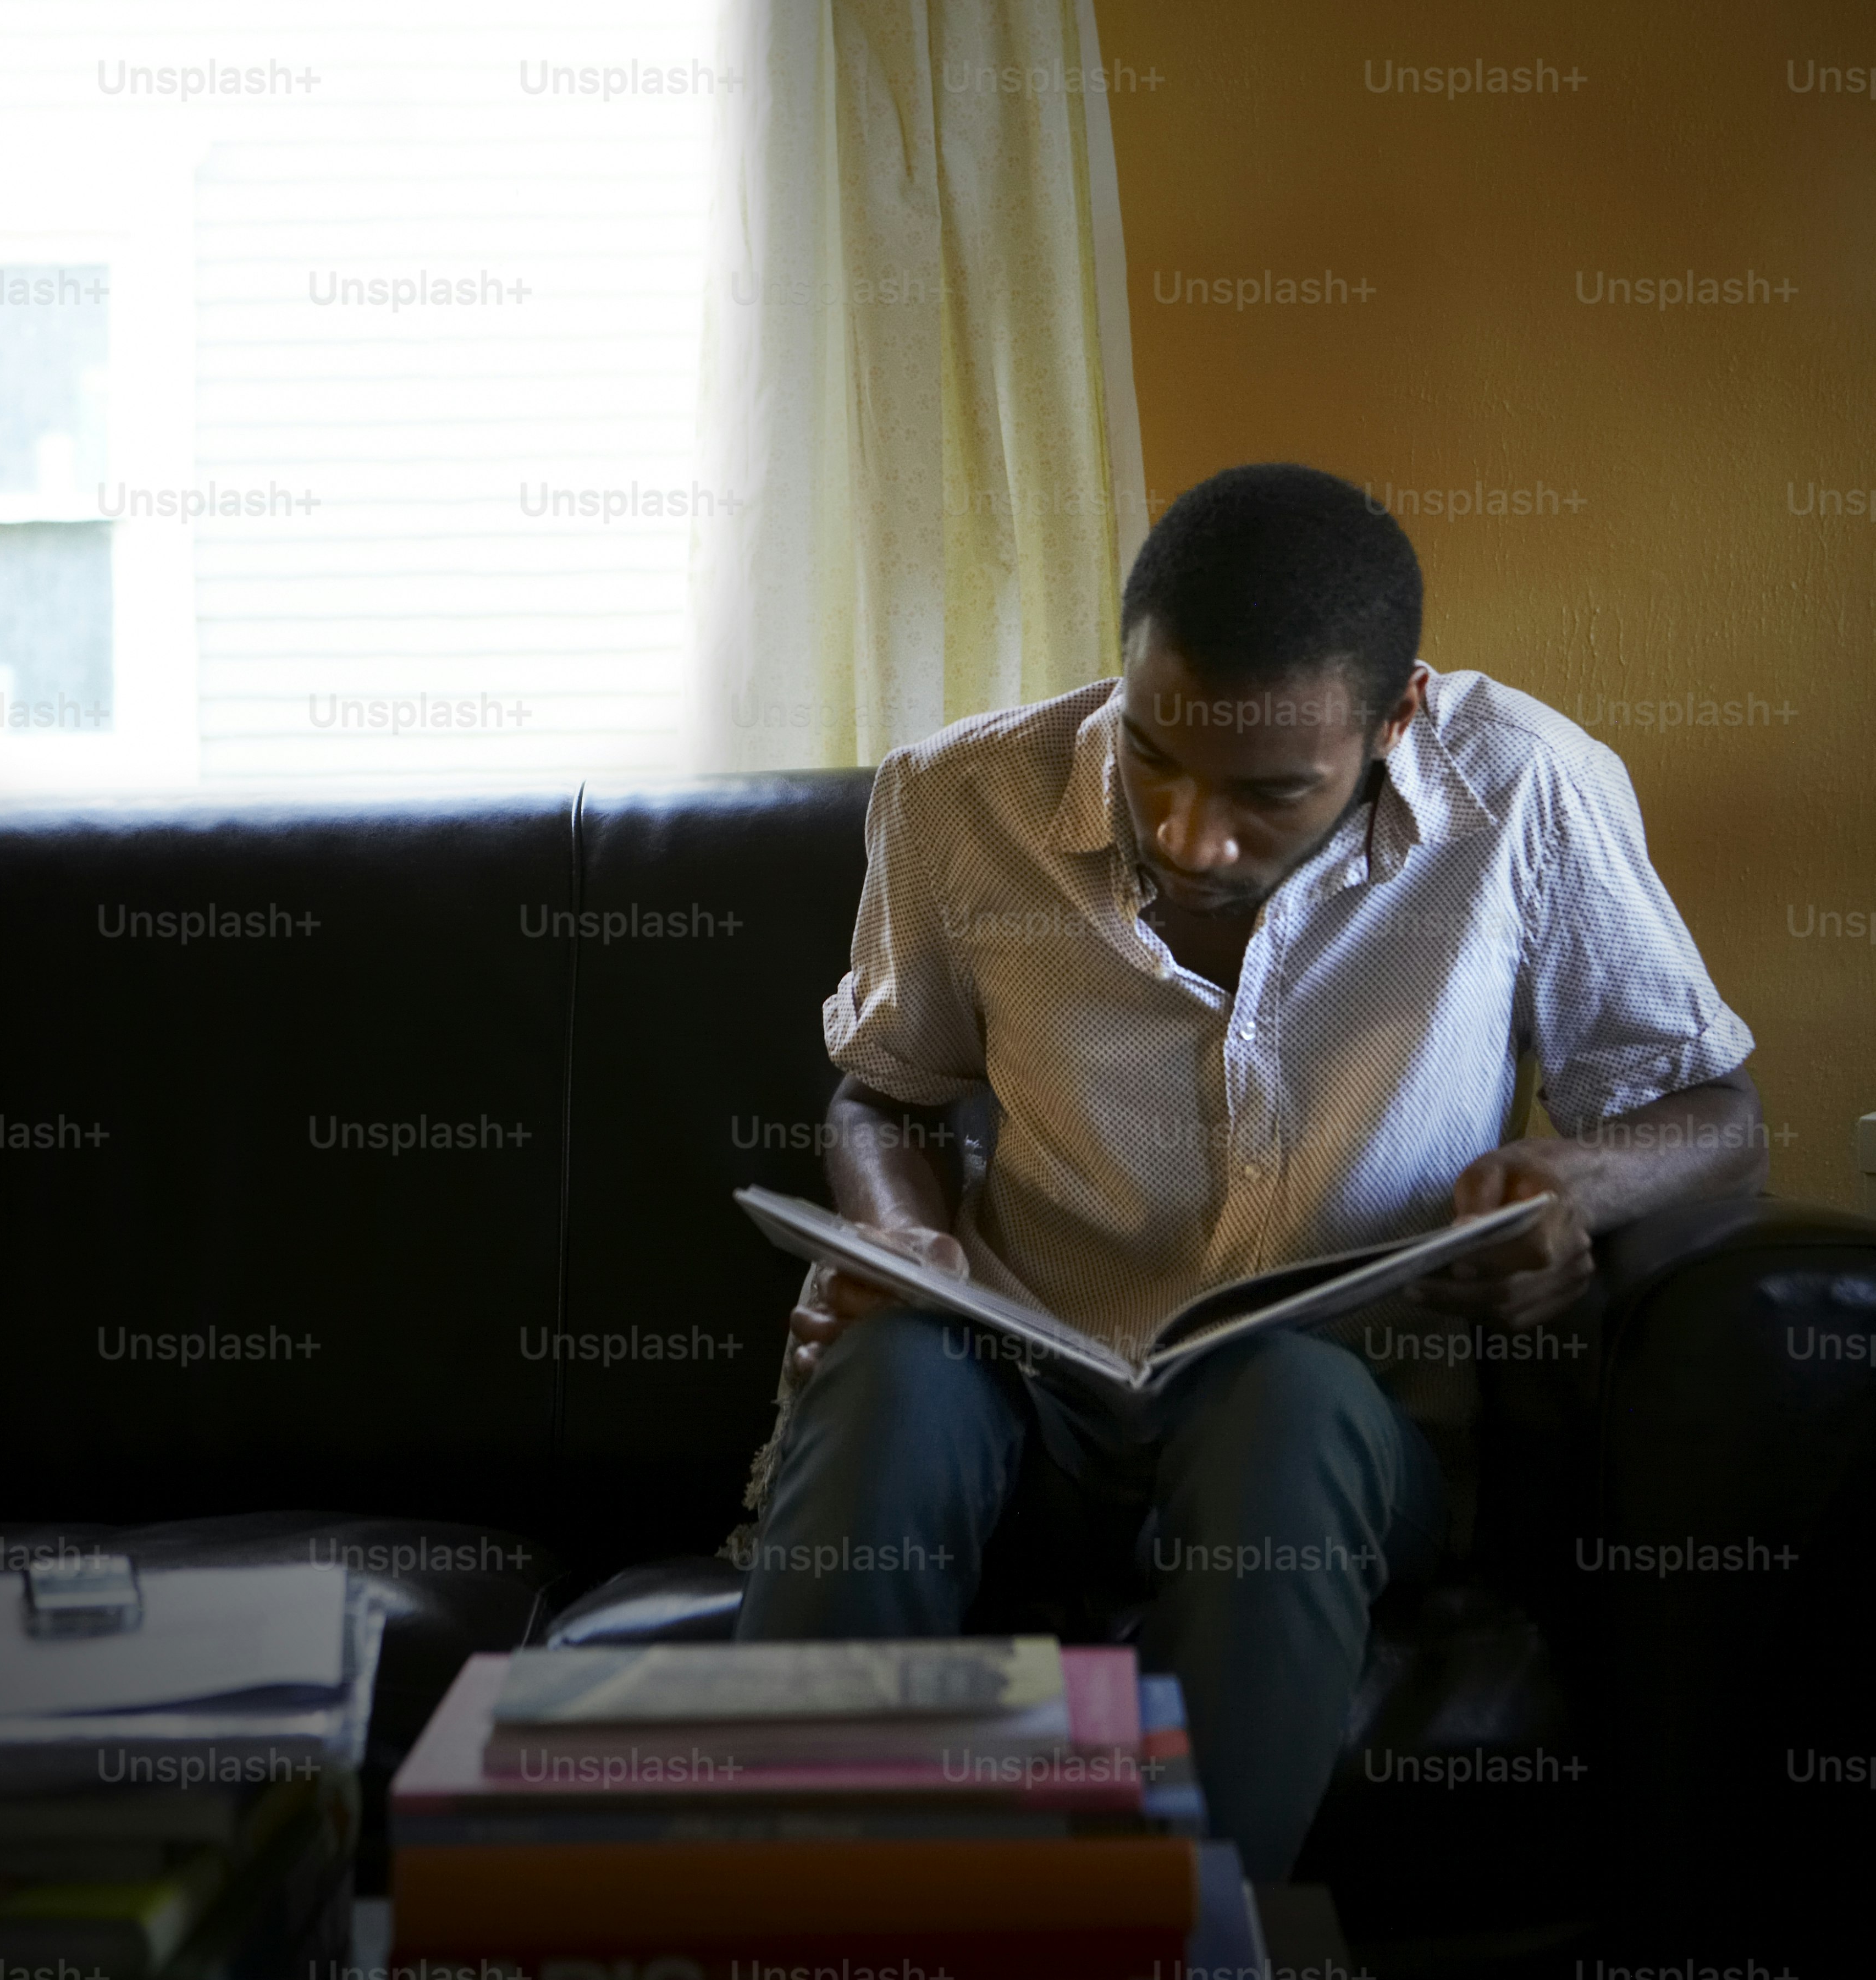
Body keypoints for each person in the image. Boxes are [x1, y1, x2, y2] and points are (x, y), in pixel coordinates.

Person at [732, 463, 1766, 1875]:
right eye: (1154, 751)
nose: (1187, 837)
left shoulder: (1524, 790)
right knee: (890, 1369)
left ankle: (1176, 1929)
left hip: (1334, 1436)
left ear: (1395, 712)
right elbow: (883, 1098)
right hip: (1030, 1404)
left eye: (1269, 789)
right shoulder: (955, 798)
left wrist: (1581, 1186)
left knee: (1278, 1394)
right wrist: (907, 1244)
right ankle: (788, 1911)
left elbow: (1714, 1112)